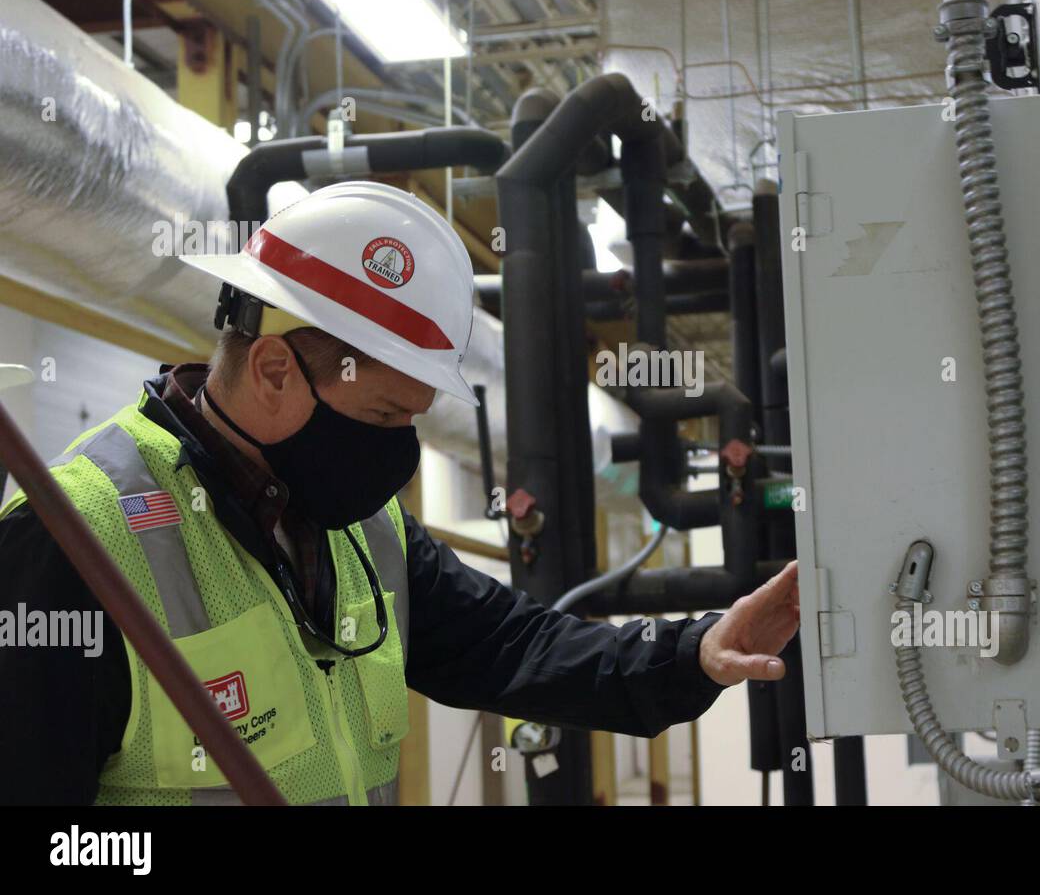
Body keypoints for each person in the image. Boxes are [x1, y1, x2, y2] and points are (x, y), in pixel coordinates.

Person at [0, 181, 799, 805]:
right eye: (383, 415)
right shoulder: (74, 540)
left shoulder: (363, 532)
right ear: (277, 369)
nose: (398, 455)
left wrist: (693, 652)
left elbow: (512, 647)